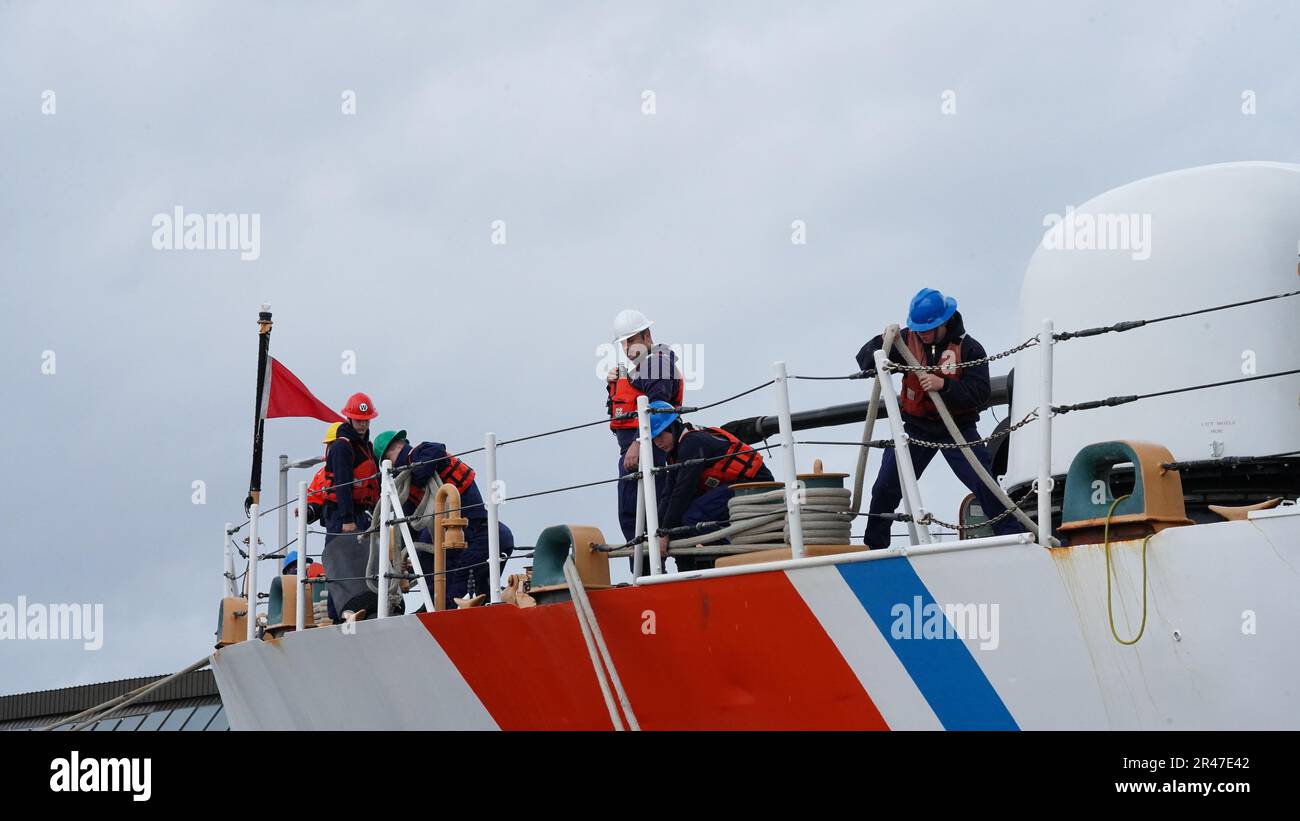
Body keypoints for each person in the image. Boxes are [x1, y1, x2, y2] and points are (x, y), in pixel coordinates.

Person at [855, 288, 1020, 549]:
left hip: (958, 429)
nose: (922, 334)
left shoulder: (970, 349)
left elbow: (980, 393)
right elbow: (864, 361)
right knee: (885, 488)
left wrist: (944, 386)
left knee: (986, 485)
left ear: (944, 323)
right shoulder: (905, 341)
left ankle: (1015, 540)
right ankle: (873, 550)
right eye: (918, 329)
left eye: (928, 329)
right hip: (916, 429)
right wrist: (882, 341)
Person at [373, 429, 516, 606]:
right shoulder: (407, 485)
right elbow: (411, 523)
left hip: (467, 516)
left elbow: (438, 449)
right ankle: (437, 602)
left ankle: (451, 601)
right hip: (442, 526)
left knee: (489, 545)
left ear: (392, 453)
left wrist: (416, 475)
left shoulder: (418, 454)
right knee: (426, 555)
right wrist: (402, 557)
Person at [647, 401, 773, 572]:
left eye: (660, 435)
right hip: (733, 486)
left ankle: (732, 563)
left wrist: (665, 532)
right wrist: (657, 532)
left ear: (674, 427)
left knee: (693, 517)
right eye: (654, 439)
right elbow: (668, 494)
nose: (658, 443)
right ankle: (687, 576)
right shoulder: (675, 453)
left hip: (754, 484)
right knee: (677, 524)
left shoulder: (692, 443)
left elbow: (682, 492)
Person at [605, 309, 684, 544]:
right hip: (638, 451)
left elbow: (658, 406)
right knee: (634, 519)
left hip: (652, 451)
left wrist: (639, 441)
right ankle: (645, 571)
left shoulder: (657, 364)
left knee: (642, 519)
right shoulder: (641, 369)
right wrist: (615, 383)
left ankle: (647, 574)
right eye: (623, 343)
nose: (628, 349)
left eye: (632, 341)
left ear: (647, 337)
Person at [319, 392, 381, 619]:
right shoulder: (342, 447)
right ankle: (338, 616)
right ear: (349, 419)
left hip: (362, 514)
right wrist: (347, 519)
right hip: (342, 515)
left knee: (362, 561)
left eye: (365, 420)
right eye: (358, 420)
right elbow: (343, 484)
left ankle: (363, 608)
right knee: (340, 562)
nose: (362, 424)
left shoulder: (366, 446)